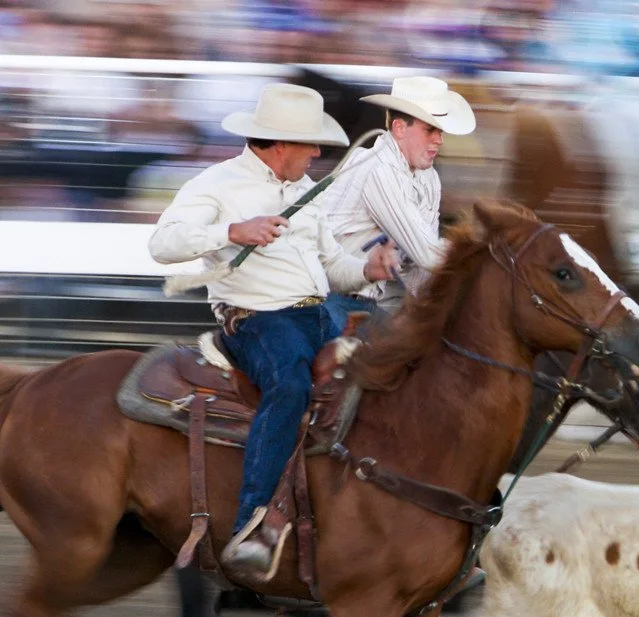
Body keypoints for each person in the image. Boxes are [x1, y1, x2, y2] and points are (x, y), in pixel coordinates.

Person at [148, 82, 400, 577]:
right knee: (289, 386)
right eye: (311, 145)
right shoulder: (216, 184)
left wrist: (368, 270)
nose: (317, 153)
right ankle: (254, 523)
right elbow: (163, 244)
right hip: (259, 320)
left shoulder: (305, 192)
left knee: (398, 364)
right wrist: (231, 231)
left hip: (320, 314)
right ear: (282, 144)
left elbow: (333, 266)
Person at [322, 75, 475, 317]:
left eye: (440, 131)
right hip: (335, 300)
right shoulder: (378, 168)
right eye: (430, 130)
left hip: (378, 301)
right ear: (400, 128)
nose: (439, 139)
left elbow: (421, 269)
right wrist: (478, 256)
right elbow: (428, 255)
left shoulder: (428, 178)